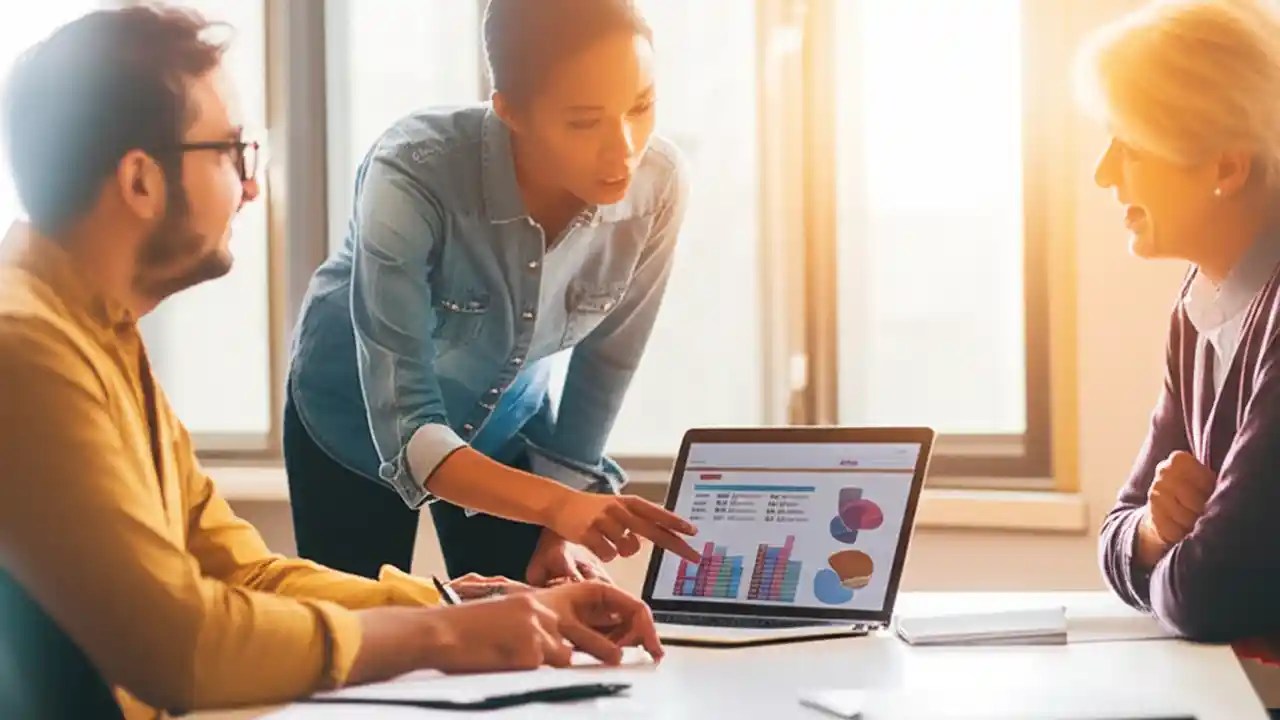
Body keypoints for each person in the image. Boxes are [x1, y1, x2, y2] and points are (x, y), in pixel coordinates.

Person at [0, 8, 664, 719]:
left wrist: (459, 602)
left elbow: (244, 574)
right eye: (235, 152)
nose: (252, 188)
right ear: (140, 182)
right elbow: (182, 647)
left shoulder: (98, 338)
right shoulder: (28, 354)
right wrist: (441, 634)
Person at [286, 0, 700, 585]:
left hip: (505, 424)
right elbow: (412, 434)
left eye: (640, 107)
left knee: (533, 624)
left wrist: (563, 525)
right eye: (584, 121)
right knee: (361, 636)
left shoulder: (657, 187)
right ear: (510, 112)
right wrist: (560, 505)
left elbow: (604, 368)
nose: (624, 150)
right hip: (352, 418)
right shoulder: (410, 172)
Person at [1081, 0, 1280, 649]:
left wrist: (1171, 553)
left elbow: (1213, 594)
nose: (1104, 173)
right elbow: (1119, 531)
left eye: (1130, 144)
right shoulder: (1199, 307)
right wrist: (1157, 533)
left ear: (1226, 165)